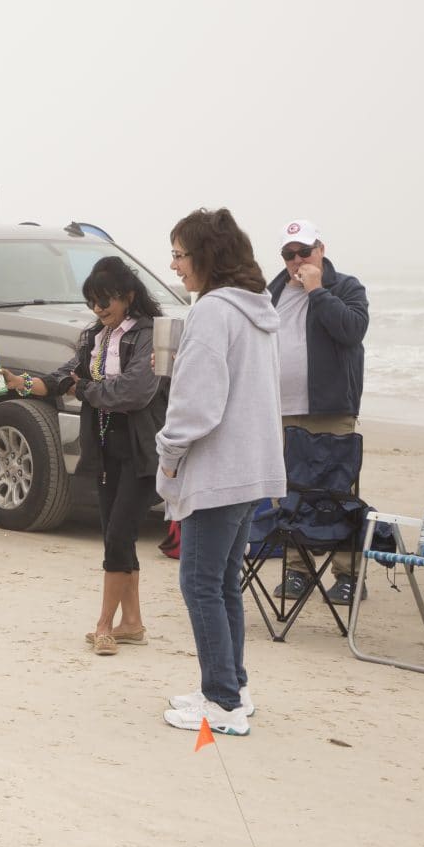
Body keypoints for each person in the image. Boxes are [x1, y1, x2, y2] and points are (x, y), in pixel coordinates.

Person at [156, 208, 286, 737]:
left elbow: (197, 404)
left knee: (200, 582)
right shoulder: (256, 311)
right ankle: (232, 686)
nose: (174, 266)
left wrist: (168, 452)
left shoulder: (214, 311)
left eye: (180, 255)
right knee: (223, 582)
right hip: (251, 465)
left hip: (219, 468)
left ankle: (222, 703)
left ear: (205, 257)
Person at [0, 256, 165, 656]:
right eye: (92, 302)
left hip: (141, 447)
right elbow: (63, 378)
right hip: (105, 446)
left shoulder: (149, 335)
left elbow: (136, 391)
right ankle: (133, 622)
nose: (98, 309)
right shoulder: (95, 336)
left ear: (127, 294)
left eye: (105, 300)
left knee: (119, 534)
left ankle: (104, 625)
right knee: (116, 532)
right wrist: (22, 384)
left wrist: (85, 389)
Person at [265, 218, 370, 606]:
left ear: (320, 249)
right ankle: (298, 570)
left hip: (330, 407)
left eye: (304, 252)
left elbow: (352, 330)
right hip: (281, 409)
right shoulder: (272, 290)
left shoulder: (345, 287)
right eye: (289, 254)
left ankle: (348, 573)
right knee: (289, 492)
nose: (297, 260)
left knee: (337, 491)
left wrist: (316, 290)